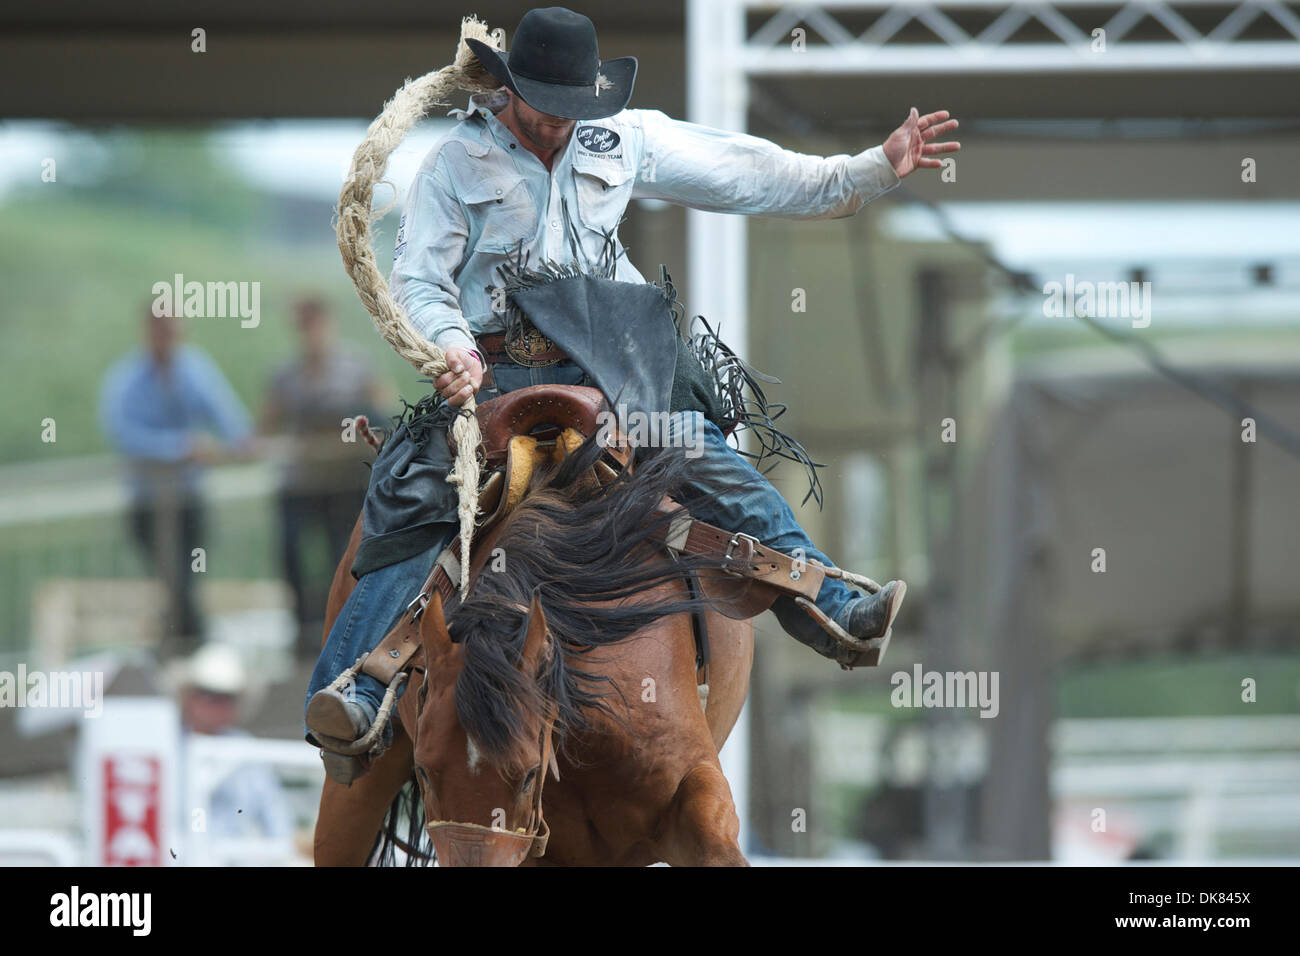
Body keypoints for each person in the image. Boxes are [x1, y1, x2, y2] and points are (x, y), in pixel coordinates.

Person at [306, 6, 961, 782]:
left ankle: (825, 600)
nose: (561, 125)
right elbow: (420, 276)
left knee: (702, 456)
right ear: (510, 91)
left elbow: (742, 171)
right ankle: (351, 690)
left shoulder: (621, 136)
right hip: (493, 371)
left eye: (576, 107)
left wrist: (869, 169)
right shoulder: (455, 163)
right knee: (414, 502)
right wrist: (450, 348)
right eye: (548, 107)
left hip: (612, 366)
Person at [100, 307, 254, 654]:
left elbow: (225, 413)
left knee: (184, 579)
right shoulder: (127, 380)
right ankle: (192, 648)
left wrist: (240, 441)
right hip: (147, 500)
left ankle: (182, 647)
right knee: (172, 580)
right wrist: (180, 448)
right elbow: (124, 435)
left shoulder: (193, 370)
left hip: (187, 497)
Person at [261, 296, 388, 658]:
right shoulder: (285, 374)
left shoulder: (356, 367)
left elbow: (382, 410)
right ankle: (303, 630)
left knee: (341, 556)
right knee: (291, 551)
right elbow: (267, 424)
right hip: (301, 481)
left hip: (344, 483)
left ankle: (341, 631)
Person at [177, 643, 294, 849]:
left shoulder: (246, 750)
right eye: (207, 694)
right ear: (190, 698)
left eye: (226, 698)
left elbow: (274, 814)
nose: (216, 705)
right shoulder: (169, 747)